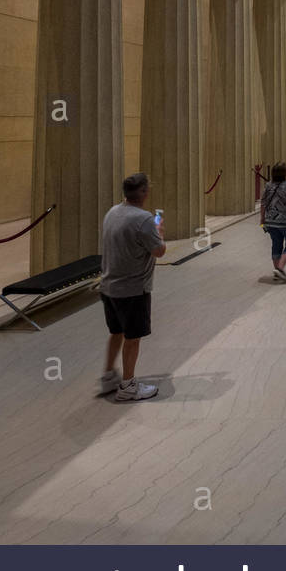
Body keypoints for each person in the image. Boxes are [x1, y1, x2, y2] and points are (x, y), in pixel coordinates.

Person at [99, 172, 166, 401]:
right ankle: (127, 385)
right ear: (145, 192)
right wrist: (159, 233)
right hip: (132, 289)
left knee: (116, 332)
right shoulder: (145, 220)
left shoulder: (112, 211)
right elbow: (159, 250)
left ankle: (108, 375)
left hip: (109, 286)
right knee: (132, 337)